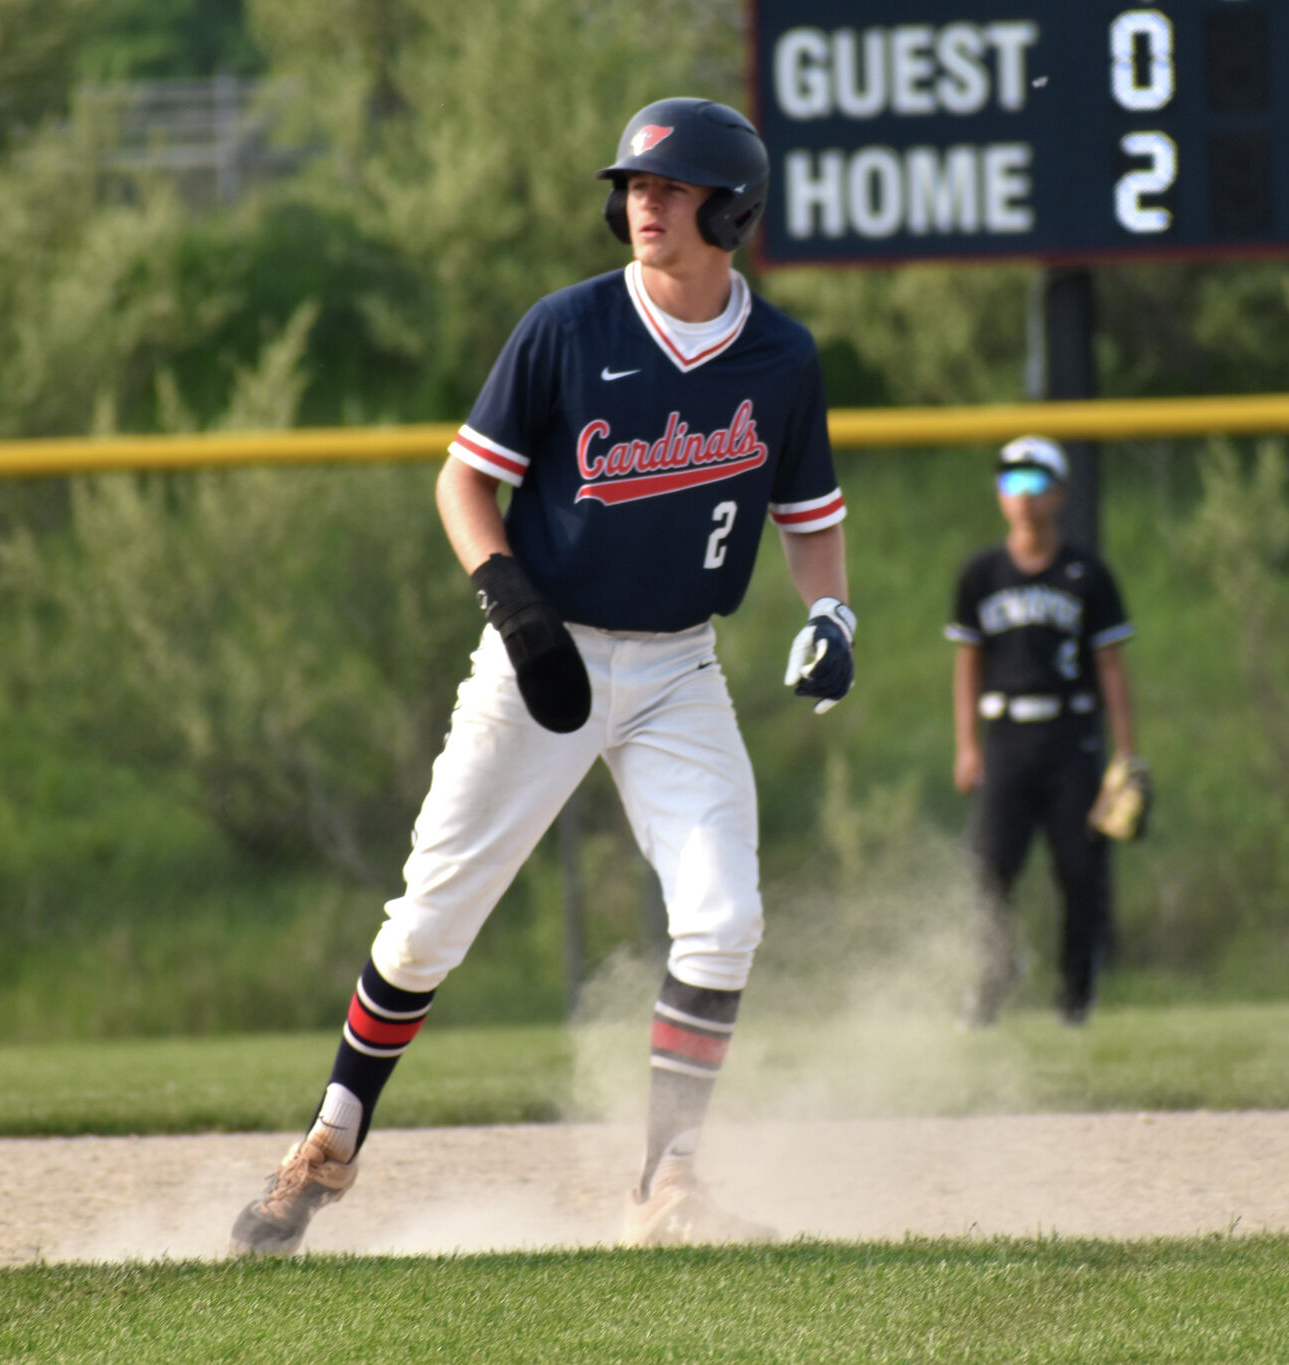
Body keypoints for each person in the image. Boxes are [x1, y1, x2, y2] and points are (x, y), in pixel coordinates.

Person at [229, 97, 852, 1253]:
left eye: (667, 189)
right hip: (544, 654)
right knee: (425, 929)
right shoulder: (567, 327)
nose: (640, 204)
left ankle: (664, 1182)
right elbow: (465, 485)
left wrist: (830, 608)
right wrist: (511, 607)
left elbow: (806, 513)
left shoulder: (780, 357)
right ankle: (324, 1146)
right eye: (632, 187)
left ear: (731, 207)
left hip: (678, 668)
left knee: (723, 918)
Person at [947, 437, 1139, 1026]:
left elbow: (1110, 667)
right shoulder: (982, 574)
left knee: (1080, 872)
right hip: (1005, 738)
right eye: (1010, 484)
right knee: (990, 871)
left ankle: (1075, 1000)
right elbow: (968, 664)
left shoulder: (1087, 574)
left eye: (1034, 484)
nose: (1022, 498)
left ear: (1059, 494)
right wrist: (967, 745)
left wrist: (1127, 757)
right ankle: (989, 986)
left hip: (1073, 739)